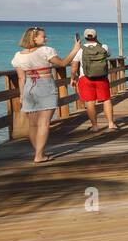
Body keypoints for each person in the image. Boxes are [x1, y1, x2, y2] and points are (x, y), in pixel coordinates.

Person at [11, 26, 79, 163]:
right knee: (44, 123)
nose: (46, 38)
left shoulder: (18, 56)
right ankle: (39, 155)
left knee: (32, 125)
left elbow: (21, 78)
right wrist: (75, 49)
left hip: (29, 88)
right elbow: (63, 63)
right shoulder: (46, 51)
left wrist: (21, 95)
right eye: (43, 36)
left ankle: (38, 151)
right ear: (34, 38)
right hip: (45, 86)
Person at [71, 28, 117, 131]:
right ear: (96, 36)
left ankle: (95, 126)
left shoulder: (80, 49)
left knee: (90, 102)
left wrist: (72, 78)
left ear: (84, 37)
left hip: (86, 78)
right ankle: (110, 123)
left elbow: (74, 66)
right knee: (106, 100)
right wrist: (98, 43)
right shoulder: (104, 47)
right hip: (102, 78)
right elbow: (108, 55)